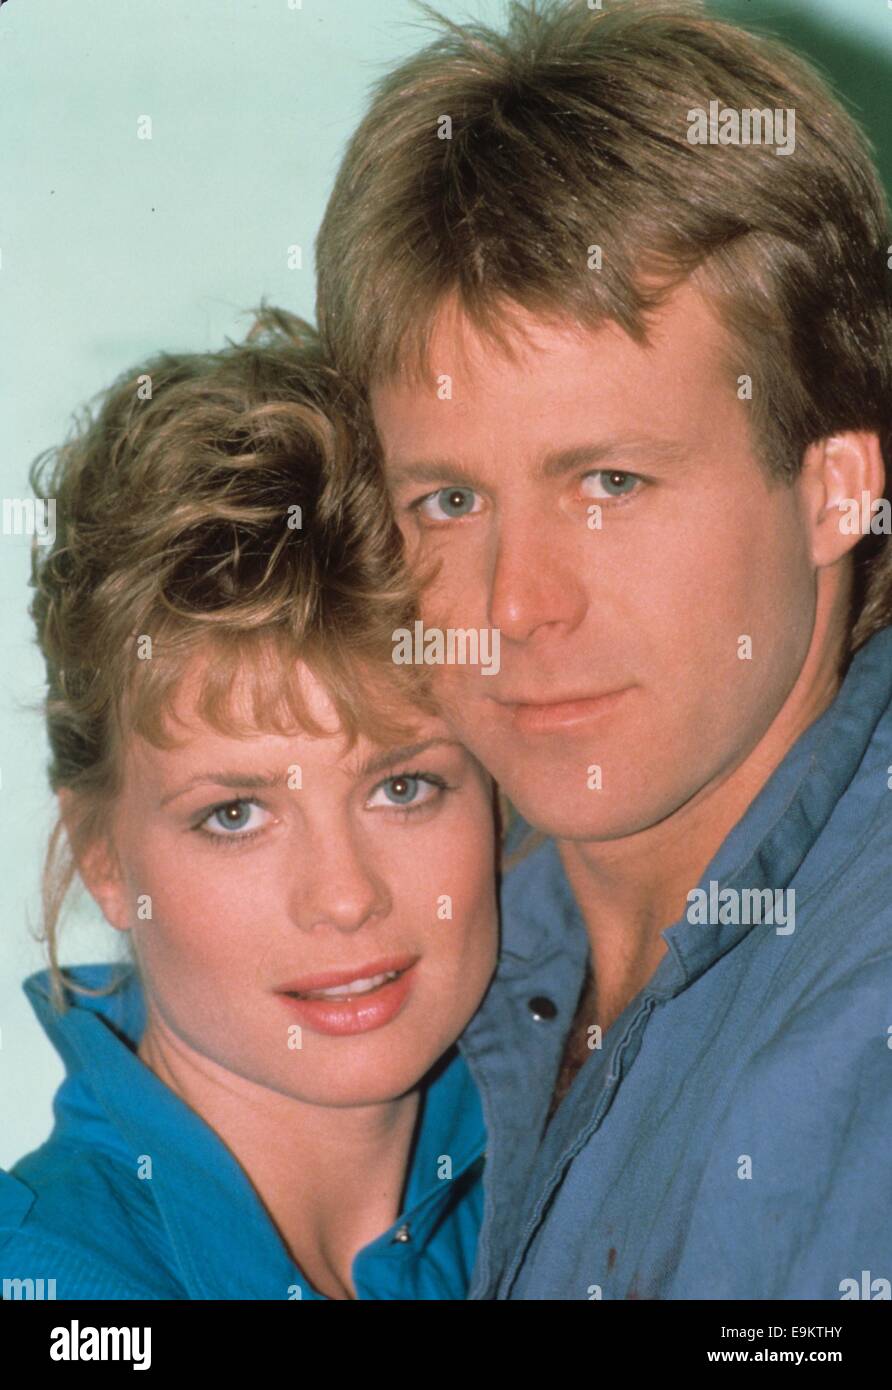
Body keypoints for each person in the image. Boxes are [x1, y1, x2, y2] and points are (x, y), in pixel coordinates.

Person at [314, 0, 892, 1298]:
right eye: (449, 499)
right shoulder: (441, 925)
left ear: (836, 489)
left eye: (611, 483)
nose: (517, 605)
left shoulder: (863, 1042)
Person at [0, 310, 499, 1301]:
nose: (344, 896)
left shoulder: (594, 1179)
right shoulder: (49, 1281)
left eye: (403, 787)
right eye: (235, 813)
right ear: (100, 852)